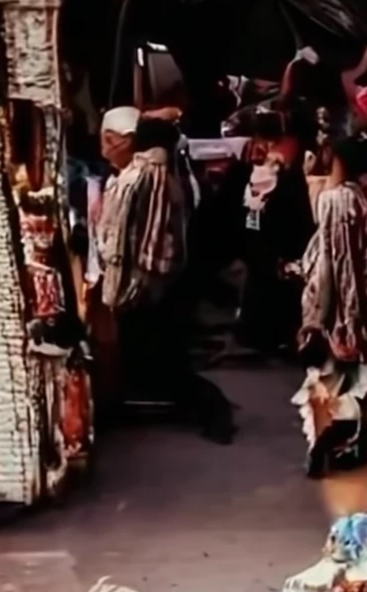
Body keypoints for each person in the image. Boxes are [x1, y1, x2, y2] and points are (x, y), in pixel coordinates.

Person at [96, 114, 236, 444]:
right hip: (155, 287)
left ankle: (215, 414)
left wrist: (138, 286)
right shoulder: (157, 174)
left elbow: (148, 239)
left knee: (166, 365)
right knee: (158, 361)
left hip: (151, 289)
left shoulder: (149, 176)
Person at [294, 132, 367, 477]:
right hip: (351, 310)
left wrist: (328, 320)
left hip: (339, 311)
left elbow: (338, 265)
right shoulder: (357, 198)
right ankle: (347, 444)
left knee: (329, 381)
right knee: (351, 382)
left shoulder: (338, 200)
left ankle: (327, 445)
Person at [234, 111, 316, 354]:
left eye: (270, 140)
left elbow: (298, 212)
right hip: (260, 240)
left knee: (276, 288)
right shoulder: (251, 167)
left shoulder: (293, 172)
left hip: (279, 243)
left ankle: (276, 334)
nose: (265, 146)